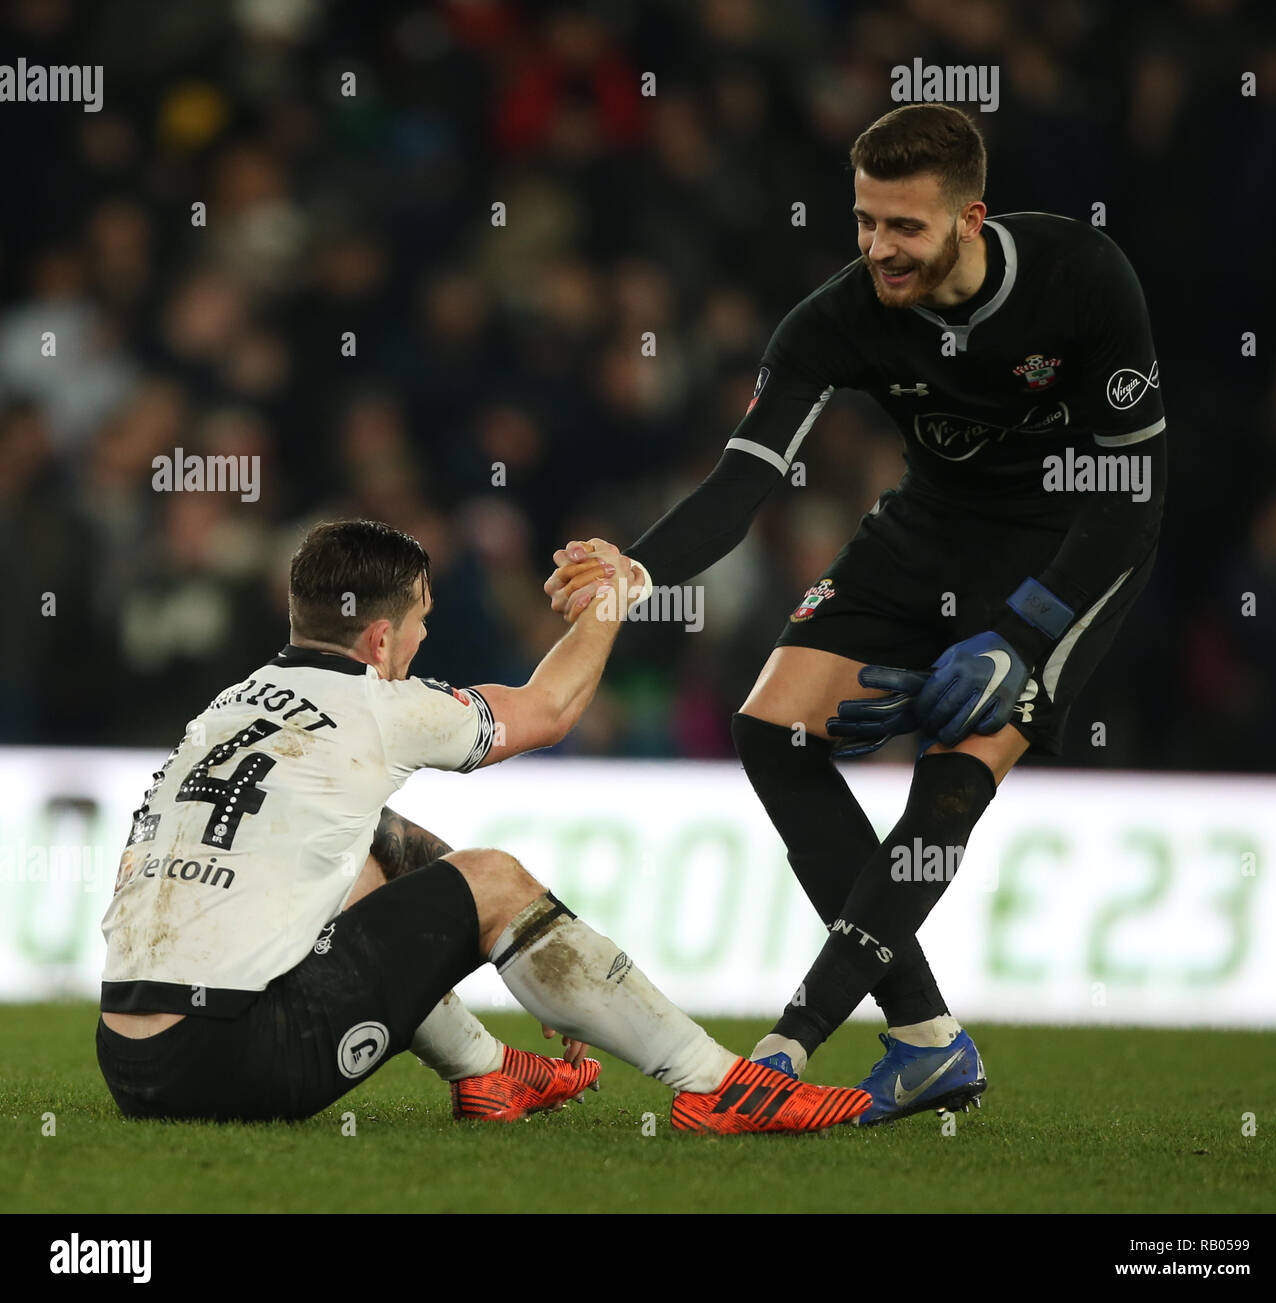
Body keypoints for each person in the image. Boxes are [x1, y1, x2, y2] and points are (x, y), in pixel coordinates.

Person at [545, 103, 1165, 1123]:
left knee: (954, 772)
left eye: (904, 227)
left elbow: (1132, 493)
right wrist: (636, 569)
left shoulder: (1080, 274)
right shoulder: (836, 318)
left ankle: (792, 1041)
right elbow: (740, 483)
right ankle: (926, 1038)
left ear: (970, 218)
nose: (879, 247)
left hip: (1072, 544)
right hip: (929, 527)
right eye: (865, 221)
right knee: (768, 726)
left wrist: (1019, 635)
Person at [96, 518, 870, 1134]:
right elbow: (552, 708)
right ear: (379, 640)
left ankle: (485, 1069)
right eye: (420, 620)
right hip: (235, 1060)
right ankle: (714, 1083)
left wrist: (526, 940)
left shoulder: (228, 707)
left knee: (366, 865)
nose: (424, 637)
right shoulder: (376, 705)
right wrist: (614, 597)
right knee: (494, 876)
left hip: (128, 1060)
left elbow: (382, 849)